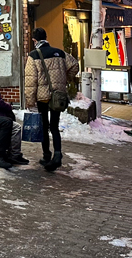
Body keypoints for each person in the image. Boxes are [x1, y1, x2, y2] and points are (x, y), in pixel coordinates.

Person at [24, 28, 79, 171]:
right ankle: (58, 154)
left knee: (44, 126)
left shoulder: (33, 56)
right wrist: (65, 79)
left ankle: (46, 155)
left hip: (42, 98)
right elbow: (74, 65)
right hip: (57, 96)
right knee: (54, 126)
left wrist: (30, 100)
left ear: (35, 40)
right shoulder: (59, 53)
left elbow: (31, 81)